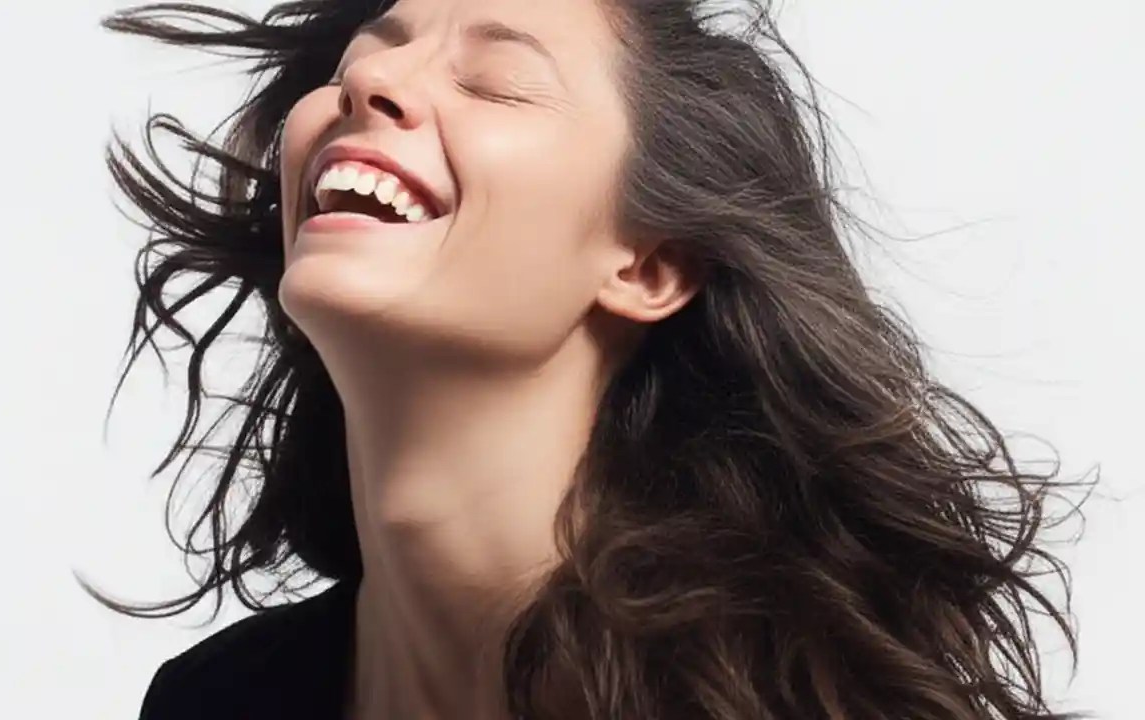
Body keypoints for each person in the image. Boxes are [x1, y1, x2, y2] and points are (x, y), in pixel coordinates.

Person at [81, 0, 1093, 717]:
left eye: (495, 83)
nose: (368, 82)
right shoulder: (215, 700)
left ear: (650, 265)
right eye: (361, 55)